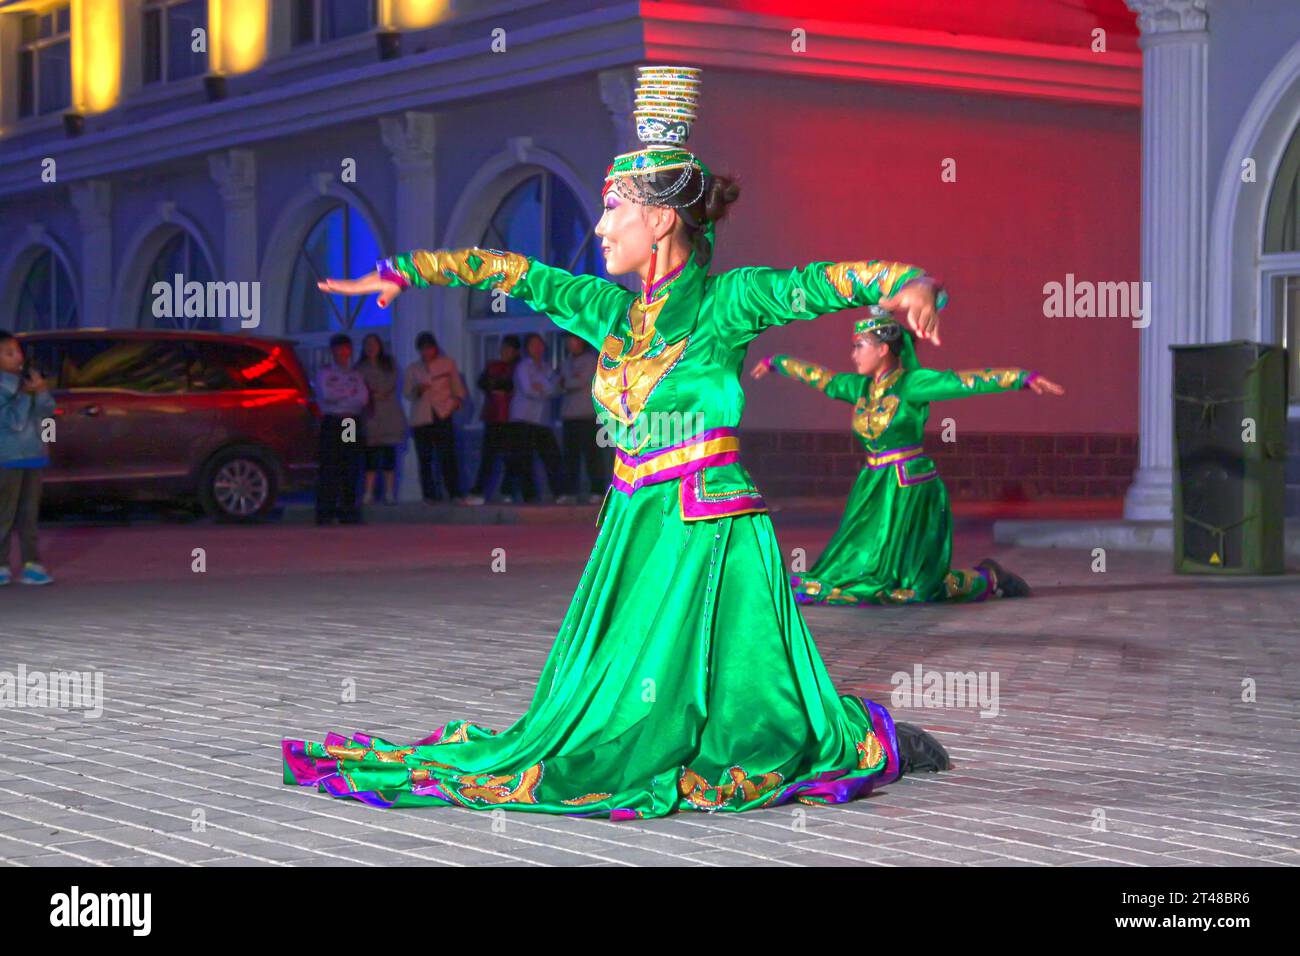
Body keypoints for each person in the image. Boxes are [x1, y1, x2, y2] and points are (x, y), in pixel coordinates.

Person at [288, 65, 951, 818]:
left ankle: (852, 738)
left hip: (708, 526)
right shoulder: (609, 311)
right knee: (610, 707)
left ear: (662, 220)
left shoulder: (725, 303)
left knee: (730, 694)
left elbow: (816, 283)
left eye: (613, 211)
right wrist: (404, 271)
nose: (599, 228)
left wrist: (904, 279)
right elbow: (512, 271)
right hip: (634, 518)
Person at [752, 313, 1065, 605]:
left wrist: (1022, 378)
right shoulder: (860, 388)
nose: (854, 355)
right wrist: (777, 362)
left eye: (860, 347)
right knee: (855, 573)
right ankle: (978, 577)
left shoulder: (911, 384)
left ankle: (988, 577)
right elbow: (820, 378)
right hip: (873, 489)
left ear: (883, 349)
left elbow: (964, 382)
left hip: (911, 490)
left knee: (915, 588)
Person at [0, 331, 55, 585]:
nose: (17, 357)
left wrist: (41, 392)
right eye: (9, 353)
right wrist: (26, 394)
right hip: (7, 458)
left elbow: (47, 412)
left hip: (33, 456)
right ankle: (1, 565)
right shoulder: (5, 388)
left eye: (18, 351)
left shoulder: (25, 383)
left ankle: (32, 564)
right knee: (4, 514)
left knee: (29, 515)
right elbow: (15, 421)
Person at [404, 332, 471, 505]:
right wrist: (418, 390)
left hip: (443, 413)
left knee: (447, 456)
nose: (426, 352)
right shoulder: (413, 368)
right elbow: (407, 393)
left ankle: (454, 492)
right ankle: (429, 495)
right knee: (425, 458)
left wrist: (454, 403)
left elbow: (458, 389)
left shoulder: (447, 364)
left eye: (429, 348)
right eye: (423, 349)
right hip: (421, 417)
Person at [314, 333, 368, 525]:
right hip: (332, 420)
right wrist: (347, 394)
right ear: (333, 351)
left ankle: (348, 511)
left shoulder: (355, 375)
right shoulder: (325, 373)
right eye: (338, 349)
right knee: (330, 466)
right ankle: (325, 512)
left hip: (350, 422)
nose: (342, 353)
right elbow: (327, 395)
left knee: (350, 465)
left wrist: (344, 396)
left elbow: (362, 399)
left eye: (345, 348)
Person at [506, 332, 564, 504]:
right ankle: (528, 496)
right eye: (533, 345)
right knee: (524, 459)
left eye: (540, 344)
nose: (538, 348)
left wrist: (544, 388)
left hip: (542, 419)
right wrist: (547, 388)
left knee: (551, 455)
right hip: (522, 418)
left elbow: (557, 389)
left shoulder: (547, 367)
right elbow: (529, 390)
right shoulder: (523, 367)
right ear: (527, 348)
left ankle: (559, 492)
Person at [355, 333, 406, 506]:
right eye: (367, 344)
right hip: (369, 415)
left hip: (390, 416)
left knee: (388, 456)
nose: (371, 347)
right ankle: (368, 493)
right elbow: (358, 388)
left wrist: (378, 393)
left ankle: (390, 493)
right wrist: (371, 394)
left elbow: (390, 385)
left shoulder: (389, 364)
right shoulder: (359, 367)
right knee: (370, 457)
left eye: (374, 343)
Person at [556, 333, 607, 504]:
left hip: (587, 415)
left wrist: (565, 382)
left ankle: (597, 491)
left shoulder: (590, 360)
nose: (570, 344)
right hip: (569, 415)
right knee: (570, 456)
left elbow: (576, 382)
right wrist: (564, 382)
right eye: (568, 341)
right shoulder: (566, 362)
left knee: (592, 455)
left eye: (574, 340)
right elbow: (558, 383)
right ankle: (569, 492)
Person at [469, 335, 520, 503]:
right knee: (488, 457)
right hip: (492, 417)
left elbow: (511, 385)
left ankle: (508, 492)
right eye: (503, 348)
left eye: (509, 349)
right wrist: (497, 385)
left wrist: (497, 384)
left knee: (510, 458)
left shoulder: (518, 367)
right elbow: (482, 383)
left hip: (511, 418)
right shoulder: (492, 365)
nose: (505, 352)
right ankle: (479, 492)